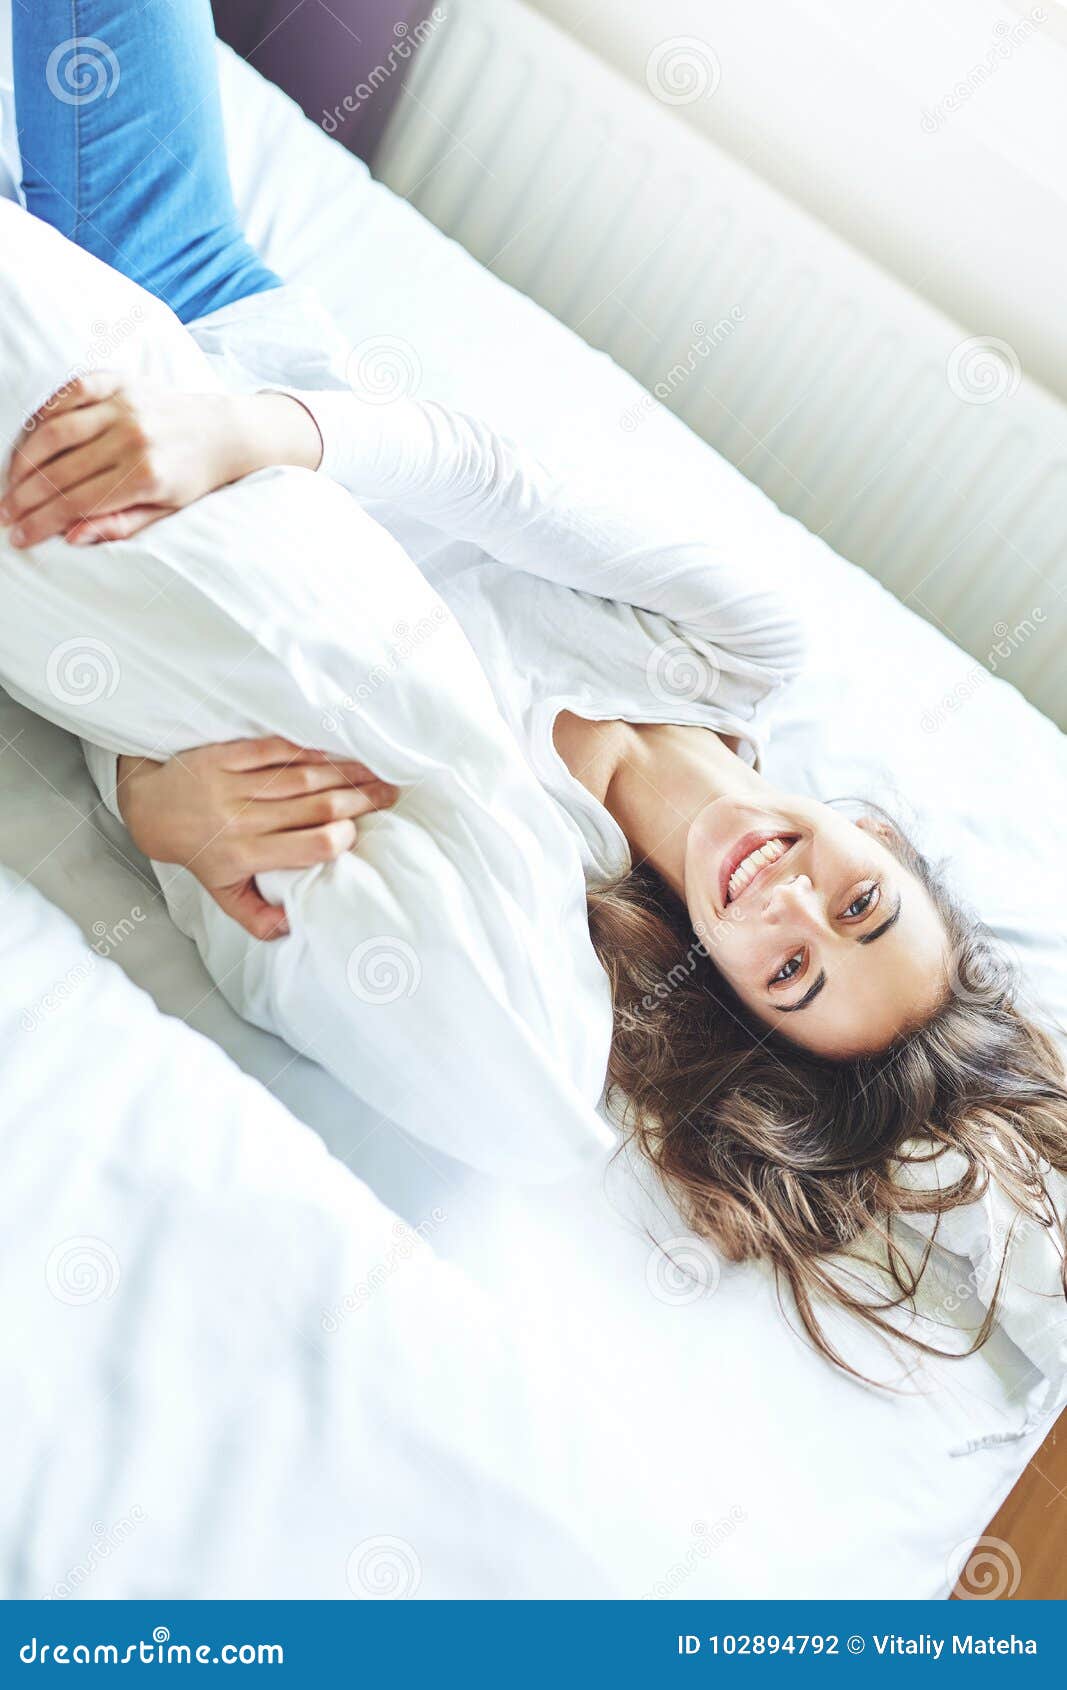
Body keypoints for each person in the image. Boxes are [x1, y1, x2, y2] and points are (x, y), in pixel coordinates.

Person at [5, 0, 1065, 1376]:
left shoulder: (543, 884)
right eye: (863, 899)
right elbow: (490, 477)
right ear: (888, 841)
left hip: (105, 468)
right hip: (213, 313)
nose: (790, 897)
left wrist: (156, 809)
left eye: (794, 967)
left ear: (742, 997)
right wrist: (240, 425)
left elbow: (201, 678)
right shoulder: (746, 647)